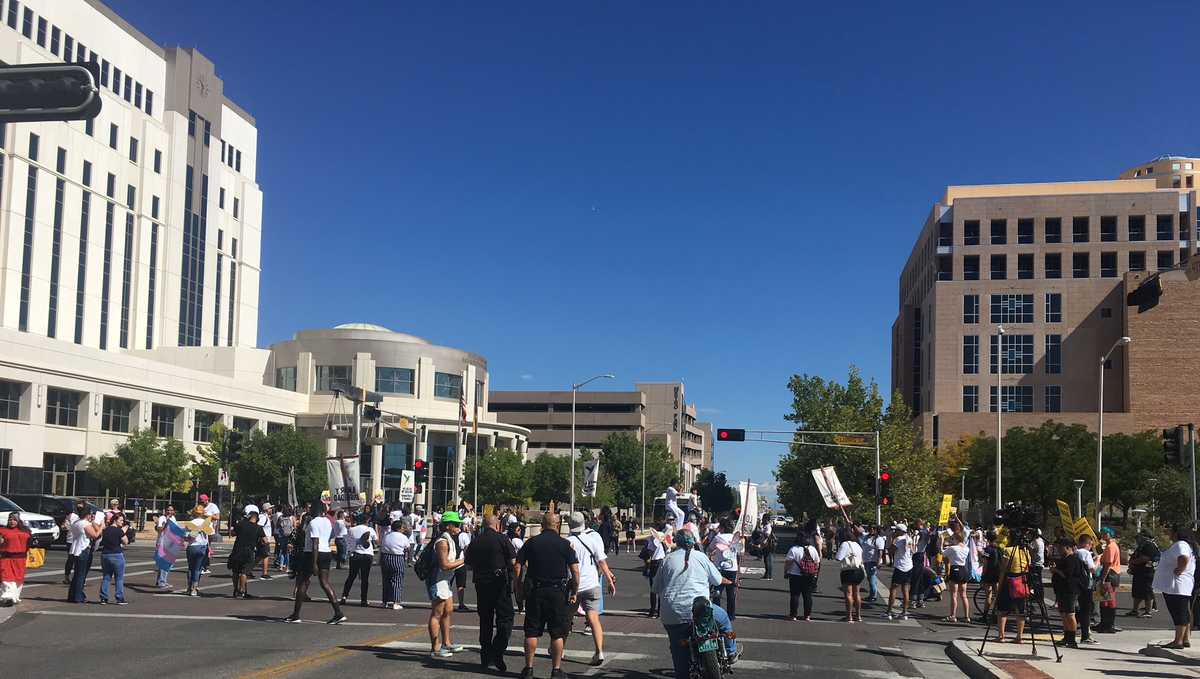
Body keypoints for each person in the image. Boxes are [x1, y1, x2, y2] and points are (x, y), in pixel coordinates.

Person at [652, 529, 737, 679]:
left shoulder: (667, 559)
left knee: (679, 653)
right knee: (723, 618)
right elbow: (717, 580)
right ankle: (731, 651)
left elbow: (656, 588)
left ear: (676, 542)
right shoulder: (701, 557)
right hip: (702, 610)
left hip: (673, 615)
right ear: (693, 542)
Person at [514, 512, 579, 679]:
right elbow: (575, 571)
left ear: (542, 525)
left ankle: (528, 668)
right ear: (557, 525)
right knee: (557, 632)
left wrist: (518, 586)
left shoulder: (531, 543)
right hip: (557, 592)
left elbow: (517, 566)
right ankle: (556, 670)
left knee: (532, 631)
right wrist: (574, 591)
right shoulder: (565, 545)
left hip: (535, 591)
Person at [466, 514, 518, 672]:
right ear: (497, 525)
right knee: (506, 618)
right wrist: (516, 582)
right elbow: (514, 562)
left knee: (485, 620)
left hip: (481, 584)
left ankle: (485, 655)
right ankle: (498, 650)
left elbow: (468, 565)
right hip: (499, 584)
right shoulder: (502, 539)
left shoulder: (476, 541)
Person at [567, 511, 618, 666]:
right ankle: (599, 651)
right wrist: (610, 581)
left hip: (575, 586)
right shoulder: (592, 540)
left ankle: (557, 648)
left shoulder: (567, 542)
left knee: (566, 619)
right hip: (592, 584)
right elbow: (602, 563)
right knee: (594, 619)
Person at [286, 506, 346, 624]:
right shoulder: (327, 522)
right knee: (325, 583)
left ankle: (296, 614)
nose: (309, 511)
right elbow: (331, 536)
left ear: (315, 510)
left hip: (312, 554)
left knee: (303, 582)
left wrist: (314, 563)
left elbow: (315, 543)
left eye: (311, 509)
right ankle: (338, 612)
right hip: (326, 552)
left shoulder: (313, 522)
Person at [427, 511, 467, 659]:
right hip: (438, 580)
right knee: (437, 613)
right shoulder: (442, 542)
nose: (459, 527)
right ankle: (435, 648)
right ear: (448, 526)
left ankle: (446, 643)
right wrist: (464, 560)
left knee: (447, 611)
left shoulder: (449, 539)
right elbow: (444, 565)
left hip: (445, 581)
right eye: (456, 524)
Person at [1153, 525, 1196, 650]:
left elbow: (1183, 557)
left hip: (1176, 585)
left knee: (1179, 613)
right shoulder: (1187, 545)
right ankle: (1185, 638)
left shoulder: (1181, 544)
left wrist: (1179, 569)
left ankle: (1178, 641)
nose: (1169, 534)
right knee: (1184, 612)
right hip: (1181, 586)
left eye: (1171, 532)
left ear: (1177, 533)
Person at [1050, 535, 1085, 647]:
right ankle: (1066, 636)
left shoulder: (1073, 559)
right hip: (1061, 590)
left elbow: (1067, 574)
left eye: (1061, 547)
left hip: (1070, 590)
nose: (1059, 550)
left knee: (1070, 614)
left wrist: (1055, 570)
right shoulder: (1063, 559)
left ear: (1068, 547)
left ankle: (1072, 639)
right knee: (1063, 614)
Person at [340, 513, 377, 607]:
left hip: (355, 554)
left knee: (351, 576)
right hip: (367, 555)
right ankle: (363, 600)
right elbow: (376, 541)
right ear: (367, 520)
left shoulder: (352, 529)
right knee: (365, 578)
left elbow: (348, 541)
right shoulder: (370, 529)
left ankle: (344, 596)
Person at [707, 518, 741, 619]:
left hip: (719, 568)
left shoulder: (718, 537)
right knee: (731, 593)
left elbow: (710, 548)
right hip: (732, 568)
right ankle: (731, 615)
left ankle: (717, 614)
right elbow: (740, 552)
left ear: (722, 527)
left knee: (717, 592)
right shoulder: (735, 538)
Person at [67, 506, 103, 603]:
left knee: (77, 574)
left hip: (75, 549)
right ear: (87, 515)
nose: (92, 516)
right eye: (91, 514)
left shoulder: (76, 523)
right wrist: (101, 527)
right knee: (81, 575)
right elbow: (95, 535)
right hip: (83, 549)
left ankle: (72, 595)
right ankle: (78, 596)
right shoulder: (85, 523)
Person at [229, 510, 267, 599]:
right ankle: (242, 591)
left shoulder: (241, 524)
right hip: (248, 552)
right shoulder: (258, 528)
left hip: (237, 550)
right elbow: (265, 541)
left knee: (235, 571)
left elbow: (233, 533)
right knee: (244, 572)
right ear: (257, 519)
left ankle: (235, 590)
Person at [1093, 527, 1123, 633]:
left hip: (1110, 574)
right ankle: (1105, 623)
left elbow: (1108, 564)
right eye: (1103, 533)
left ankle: (1108, 624)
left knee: (1107, 599)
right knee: (1105, 599)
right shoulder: (1111, 546)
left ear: (1110, 534)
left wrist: (1102, 578)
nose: (1103, 535)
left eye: (1105, 533)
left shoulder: (1110, 547)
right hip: (1113, 573)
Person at [0, 511, 32, 606]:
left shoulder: (26, 531)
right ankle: (9, 597)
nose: (12, 521)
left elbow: (30, 544)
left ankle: (14, 597)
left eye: (14, 519)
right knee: (7, 578)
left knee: (18, 579)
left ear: (18, 521)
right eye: (10, 519)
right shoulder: (2, 531)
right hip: (6, 558)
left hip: (20, 559)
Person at [785, 533, 820, 621]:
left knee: (795, 595)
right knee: (807, 595)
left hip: (795, 575)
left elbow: (788, 562)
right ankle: (807, 615)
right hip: (809, 575)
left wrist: (786, 572)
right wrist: (815, 572)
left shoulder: (794, 549)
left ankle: (793, 615)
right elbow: (817, 562)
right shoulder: (812, 549)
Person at [884, 523, 915, 620]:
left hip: (900, 566)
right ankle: (904, 613)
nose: (895, 532)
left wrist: (892, 540)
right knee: (905, 590)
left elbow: (891, 551)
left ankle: (889, 612)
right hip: (909, 566)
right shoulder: (909, 538)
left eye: (896, 530)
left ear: (900, 531)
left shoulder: (898, 539)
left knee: (893, 589)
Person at [98, 512, 130, 605]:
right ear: (115, 520)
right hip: (116, 554)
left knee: (106, 577)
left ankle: (103, 598)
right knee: (119, 578)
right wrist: (124, 531)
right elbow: (126, 542)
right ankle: (119, 598)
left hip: (105, 554)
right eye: (121, 520)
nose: (122, 522)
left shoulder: (106, 530)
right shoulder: (119, 531)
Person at [1073, 534, 1098, 645]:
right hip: (1087, 583)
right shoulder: (1086, 553)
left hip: (1078, 583)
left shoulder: (1076, 552)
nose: (1091, 547)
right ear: (1086, 543)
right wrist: (1097, 561)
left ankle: (1076, 629)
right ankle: (1085, 635)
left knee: (1079, 608)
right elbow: (1092, 569)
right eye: (1091, 544)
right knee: (1086, 610)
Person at [379, 519, 410, 610]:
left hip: (385, 557)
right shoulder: (403, 537)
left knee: (386, 580)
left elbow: (382, 546)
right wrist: (408, 559)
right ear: (400, 528)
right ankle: (396, 602)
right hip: (397, 558)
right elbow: (408, 548)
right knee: (397, 580)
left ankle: (385, 601)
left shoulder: (386, 535)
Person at [1128, 531, 1160, 618]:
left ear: (1145, 537)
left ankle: (1148, 611)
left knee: (1147, 592)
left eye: (1140, 536)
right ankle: (1135, 610)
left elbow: (1145, 558)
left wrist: (1133, 562)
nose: (1138, 538)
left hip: (1147, 572)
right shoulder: (1142, 545)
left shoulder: (1149, 545)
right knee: (1137, 592)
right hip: (1139, 572)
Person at [836, 527, 865, 622]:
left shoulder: (844, 544)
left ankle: (849, 616)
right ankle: (858, 615)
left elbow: (838, 558)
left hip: (848, 570)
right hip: (858, 570)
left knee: (848, 594)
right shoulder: (857, 544)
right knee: (857, 593)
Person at [941, 533, 970, 623]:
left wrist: (941, 542)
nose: (951, 540)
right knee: (964, 595)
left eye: (952, 539)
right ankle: (967, 616)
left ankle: (953, 616)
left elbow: (942, 553)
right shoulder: (966, 548)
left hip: (955, 569)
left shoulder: (953, 548)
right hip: (964, 570)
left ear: (957, 539)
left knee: (954, 595)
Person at [183, 507, 210, 597]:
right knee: (198, 569)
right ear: (202, 513)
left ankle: (189, 587)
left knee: (191, 568)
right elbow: (211, 535)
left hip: (192, 546)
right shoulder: (206, 523)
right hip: (202, 546)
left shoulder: (190, 523)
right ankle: (194, 588)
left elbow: (186, 537)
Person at [154, 505, 177, 590]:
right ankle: (162, 582)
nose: (169, 512)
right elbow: (159, 529)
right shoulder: (162, 518)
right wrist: (166, 522)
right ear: (165, 510)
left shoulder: (173, 518)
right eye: (168, 510)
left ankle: (160, 581)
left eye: (171, 510)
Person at [860, 525, 885, 602]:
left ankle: (873, 596)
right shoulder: (866, 537)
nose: (871, 530)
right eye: (870, 528)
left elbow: (880, 551)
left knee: (871, 578)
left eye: (873, 529)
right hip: (866, 560)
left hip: (873, 561)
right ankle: (872, 594)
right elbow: (858, 530)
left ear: (877, 530)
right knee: (870, 578)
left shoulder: (879, 539)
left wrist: (879, 561)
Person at [61, 502, 81, 585]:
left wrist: (66, 526)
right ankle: (67, 577)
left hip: (74, 539)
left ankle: (73, 577)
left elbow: (74, 527)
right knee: (71, 559)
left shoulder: (74, 517)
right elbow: (64, 526)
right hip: (70, 539)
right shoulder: (67, 516)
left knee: (73, 559)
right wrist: (64, 527)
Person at [455, 519, 473, 612]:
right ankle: (461, 604)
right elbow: (467, 547)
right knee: (460, 585)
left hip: (450, 561)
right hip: (460, 562)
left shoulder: (450, 534)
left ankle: (445, 602)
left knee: (447, 583)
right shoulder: (464, 535)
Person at [200, 493, 219, 574]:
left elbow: (217, 517)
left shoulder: (213, 506)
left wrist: (206, 515)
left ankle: (204, 566)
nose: (202, 503)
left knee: (206, 548)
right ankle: (203, 566)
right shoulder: (200, 507)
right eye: (201, 502)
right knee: (203, 548)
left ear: (207, 500)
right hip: (201, 529)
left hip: (209, 529)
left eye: (203, 501)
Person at [259, 504, 275, 579]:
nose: (271, 510)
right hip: (264, 540)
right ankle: (264, 573)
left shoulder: (266, 517)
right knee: (265, 556)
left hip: (265, 539)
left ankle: (248, 571)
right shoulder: (263, 517)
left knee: (259, 556)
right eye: (270, 508)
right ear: (266, 509)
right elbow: (259, 527)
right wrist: (263, 538)